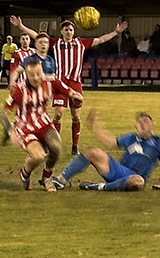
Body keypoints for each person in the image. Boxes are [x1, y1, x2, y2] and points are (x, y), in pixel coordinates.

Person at [12, 15, 126, 154]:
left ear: (74, 31)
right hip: (60, 84)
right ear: (62, 32)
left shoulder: (81, 43)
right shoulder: (56, 43)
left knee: (76, 116)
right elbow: (37, 36)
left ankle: (74, 147)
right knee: (58, 114)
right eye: (66, 30)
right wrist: (21, 26)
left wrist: (116, 32)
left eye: (71, 29)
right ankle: (52, 144)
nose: (68, 32)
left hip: (76, 84)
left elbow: (101, 39)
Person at [53, 110, 160, 191]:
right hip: (119, 171)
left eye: (145, 121)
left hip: (135, 178)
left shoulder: (159, 143)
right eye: (139, 122)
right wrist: (94, 126)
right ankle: (61, 180)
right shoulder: (131, 137)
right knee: (91, 151)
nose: (142, 124)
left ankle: (98, 187)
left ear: (152, 124)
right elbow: (110, 142)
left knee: (138, 181)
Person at [0, 57, 68, 191]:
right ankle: (24, 174)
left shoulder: (49, 81)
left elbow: (65, 89)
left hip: (44, 124)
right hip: (25, 128)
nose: (36, 78)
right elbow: (3, 114)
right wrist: (10, 130)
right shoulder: (19, 90)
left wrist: (74, 94)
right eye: (32, 75)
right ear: (26, 75)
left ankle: (47, 178)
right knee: (38, 156)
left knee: (56, 147)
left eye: (38, 74)